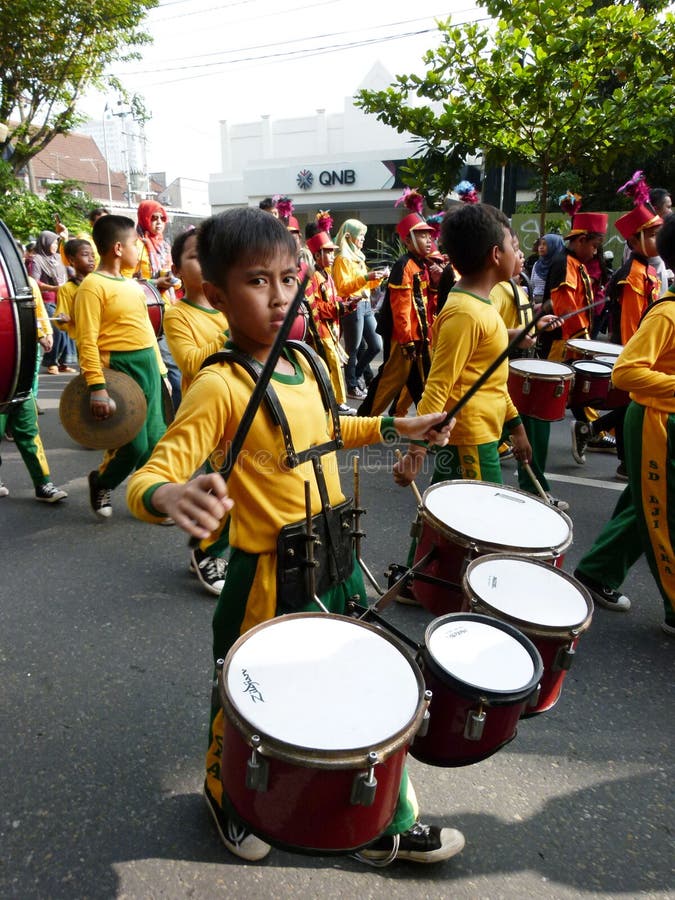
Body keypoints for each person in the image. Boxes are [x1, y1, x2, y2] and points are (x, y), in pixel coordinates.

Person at [126, 207, 464, 865]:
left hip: (334, 554)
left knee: (354, 684)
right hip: (264, 576)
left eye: (288, 277)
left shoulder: (307, 362)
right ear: (218, 296)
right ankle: (226, 797)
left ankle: (380, 818)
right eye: (258, 281)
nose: (279, 294)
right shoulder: (218, 386)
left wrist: (403, 425)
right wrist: (169, 495)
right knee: (244, 699)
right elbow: (152, 474)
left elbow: (335, 432)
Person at [574, 214, 675, 636]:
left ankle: (596, 573)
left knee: (645, 504)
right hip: (655, 419)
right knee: (661, 513)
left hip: (662, 413)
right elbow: (626, 371)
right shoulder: (667, 311)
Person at [394, 203, 531, 494]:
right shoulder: (465, 313)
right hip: (471, 441)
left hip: (479, 435)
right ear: (496, 255)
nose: (517, 254)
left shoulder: (483, 305)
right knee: (482, 531)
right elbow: (437, 386)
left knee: (445, 526)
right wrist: (415, 455)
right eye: (511, 245)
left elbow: (490, 377)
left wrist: (516, 427)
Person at [74, 215, 168, 520]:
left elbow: (147, 332)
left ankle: (153, 500)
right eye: (133, 243)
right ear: (117, 248)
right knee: (134, 444)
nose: (138, 248)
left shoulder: (132, 285)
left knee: (155, 440)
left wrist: (162, 373)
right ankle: (102, 481)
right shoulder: (92, 286)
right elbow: (86, 341)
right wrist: (97, 387)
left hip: (149, 368)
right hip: (119, 370)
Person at [163, 227, 231, 597]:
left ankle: (206, 543)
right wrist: (232, 328)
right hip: (211, 412)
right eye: (194, 256)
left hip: (243, 405)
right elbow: (190, 362)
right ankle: (208, 552)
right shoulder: (178, 315)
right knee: (230, 482)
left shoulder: (227, 303)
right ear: (176, 268)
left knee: (236, 479)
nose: (205, 263)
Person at [571, 205, 663, 473]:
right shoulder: (633, 277)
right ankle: (623, 461)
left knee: (629, 403)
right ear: (635, 241)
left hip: (643, 350)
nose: (660, 238)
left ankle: (591, 430)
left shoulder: (648, 271)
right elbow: (634, 329)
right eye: (653, 234)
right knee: (631, 402)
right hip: (634, 352)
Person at [490, 231, 565, 507]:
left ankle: (532, 487)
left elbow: (520, 322)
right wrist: (519, 334)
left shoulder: (516, 285)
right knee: (529, 426)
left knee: (524, 428)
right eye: (516, 248)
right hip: (508, 369)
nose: (521, 255)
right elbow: (489, 327)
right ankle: (533, 490)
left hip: (518, 366)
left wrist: (538, 320)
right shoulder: (497, 289)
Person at [356, 212, 434, 416]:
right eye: (423, 235)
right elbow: (401, 308)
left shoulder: (423, 264)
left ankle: (428, 425)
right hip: (404, 339)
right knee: (389, 380)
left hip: (420, 338)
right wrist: (406, 340)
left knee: (422, 383)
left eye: (429, 235)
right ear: (408, 240)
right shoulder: (404, 265)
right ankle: (364, 419)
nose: (429, 240)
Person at [0, 275, 68, 503]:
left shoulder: (22, 279)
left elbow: (37, 310)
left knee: (28, 429)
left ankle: (43, 483)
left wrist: (44, 332)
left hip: (18, 372)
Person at [124, 200, 182, 410]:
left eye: (162, 218)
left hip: (167, 308)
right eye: (154, 218)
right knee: (163, 370)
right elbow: (126, 280)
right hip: (144, 311)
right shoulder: (136, 246)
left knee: (173, 368)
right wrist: (156, 283)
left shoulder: (165, 245)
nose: (158, 223)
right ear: (144, 219)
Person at [332, 219, 384, 401]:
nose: (363, 239)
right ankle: (352, 385)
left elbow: (365, 283)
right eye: (360, 235)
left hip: (365, 304)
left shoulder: (357, 256)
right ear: (350, 236)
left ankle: (357, 375)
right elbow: (343, 287)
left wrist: (377, 278)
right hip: (352, 305)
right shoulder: (342, 259)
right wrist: (366, 277)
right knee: (353, 348)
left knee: (377, 345)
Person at [304, 229, 354, 415]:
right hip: (321, 330)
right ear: (317, 255)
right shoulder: (314, 277)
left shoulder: (327, 275)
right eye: (329, 252)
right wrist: (339, 308)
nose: (332, 256)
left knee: (333, 364)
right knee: (331, 362)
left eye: (333, 252)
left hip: (332, 328)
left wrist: (346, 304)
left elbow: (334, 300)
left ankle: (333, 401)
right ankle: (337, 402)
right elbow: (316, 306)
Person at [26, 230, 77, 375]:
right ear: (45, 243)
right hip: (46, 300)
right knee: (56, 330)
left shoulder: (59, 258)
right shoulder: (36, 260)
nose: (55, 245)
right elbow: (34, 282)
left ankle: (64, 363)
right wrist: (54, 288)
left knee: (68, 329)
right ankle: (51, 362)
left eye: (56, 242)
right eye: (53, 242)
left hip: (62, 299)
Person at [53, 239, 97, 341]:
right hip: (85, 340)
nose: (91, 259)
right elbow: (61, 316)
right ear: (72, 260)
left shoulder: (99, 283)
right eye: (85, 255)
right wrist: (62, 319)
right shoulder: (67, 289)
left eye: (93, 256)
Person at [530, 233, 564, 305]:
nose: (541, 247)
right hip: (534, 303)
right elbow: (532, 285)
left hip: (550, 305)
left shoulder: (559, 266)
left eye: (545, 244)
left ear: (553, 246)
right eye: (540, 244)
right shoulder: (537, 264)